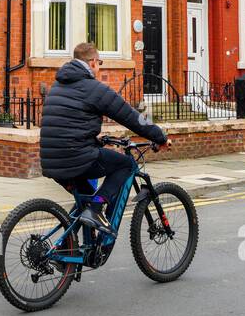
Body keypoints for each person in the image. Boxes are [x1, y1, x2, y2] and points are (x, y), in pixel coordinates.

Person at [39, 42, 170, 234]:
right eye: (99, 62)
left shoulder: (57, 86)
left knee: (85, 200)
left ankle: (69, 250)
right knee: (125, 165)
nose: (99, 68)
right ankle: (97, 208)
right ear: (92, 62)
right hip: (76, 158)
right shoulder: (94, 88)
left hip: (51, 162)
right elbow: (131, 117)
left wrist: (96, 141)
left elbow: (68, 127)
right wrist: (160, 137)